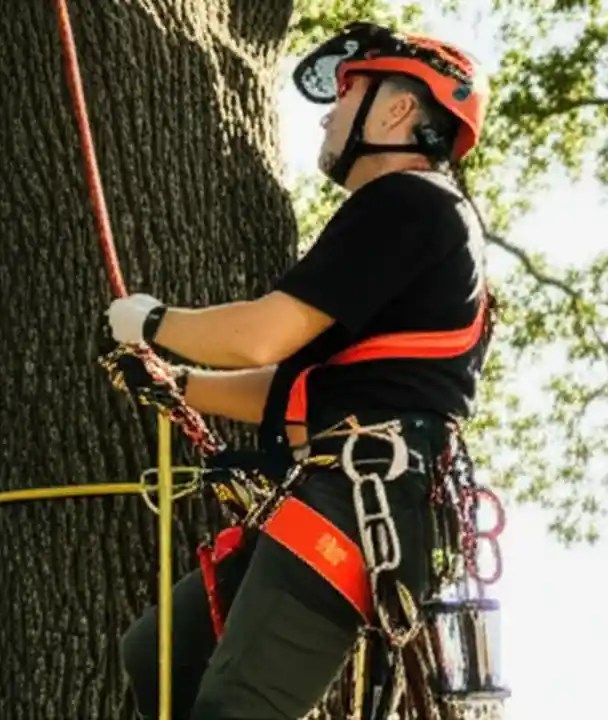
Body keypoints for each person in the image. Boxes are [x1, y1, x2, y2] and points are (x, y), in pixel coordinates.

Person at [104, 22, 495, 720]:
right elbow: (296, 391)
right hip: (340, 480)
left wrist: (154, 323)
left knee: (238, 708)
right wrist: (179, 383)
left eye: (347, 95)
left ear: (398, 109)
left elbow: (262, 335)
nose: (328, 114)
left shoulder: (410, 202)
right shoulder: (413, 225)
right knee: (161, 652)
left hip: (362, 492)